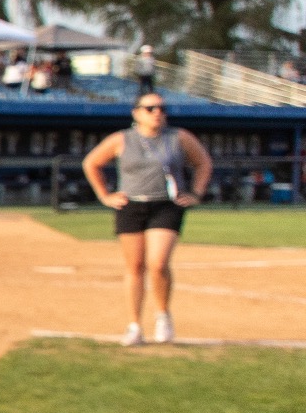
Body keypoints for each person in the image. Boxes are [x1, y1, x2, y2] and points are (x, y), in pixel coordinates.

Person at [83, 92, 213, 346]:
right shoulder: (122, 139)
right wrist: (105, 195)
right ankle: (134, 325)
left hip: (166, 205)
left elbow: (203, 163)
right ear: (137, 113)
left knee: (158, 262)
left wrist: (196, 193)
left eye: (162, 108)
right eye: (150, 108)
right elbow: (92, 163)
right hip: (131, 205)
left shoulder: (179, 137)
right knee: (135, 267)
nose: (157, 113)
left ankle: (163, 315)